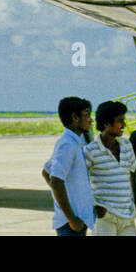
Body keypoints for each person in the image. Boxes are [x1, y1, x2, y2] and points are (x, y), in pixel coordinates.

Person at [84, 100, 136, 236]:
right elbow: (80, 181)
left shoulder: (127, 145)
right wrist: (93, 206)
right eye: (120, 121)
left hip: (127, 215)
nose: (124, 125)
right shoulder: (90, 151)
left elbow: (134, 172)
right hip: (105, 217)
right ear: (106, 124)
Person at [42, 96, 96, 235]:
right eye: (86, 115)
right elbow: (56, 181)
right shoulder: (68, 144)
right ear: (75, 117)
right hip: (71, 223)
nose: (90, 119)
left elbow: (46, 172)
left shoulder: (76, 141)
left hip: (79, 218)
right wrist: (70, 218)